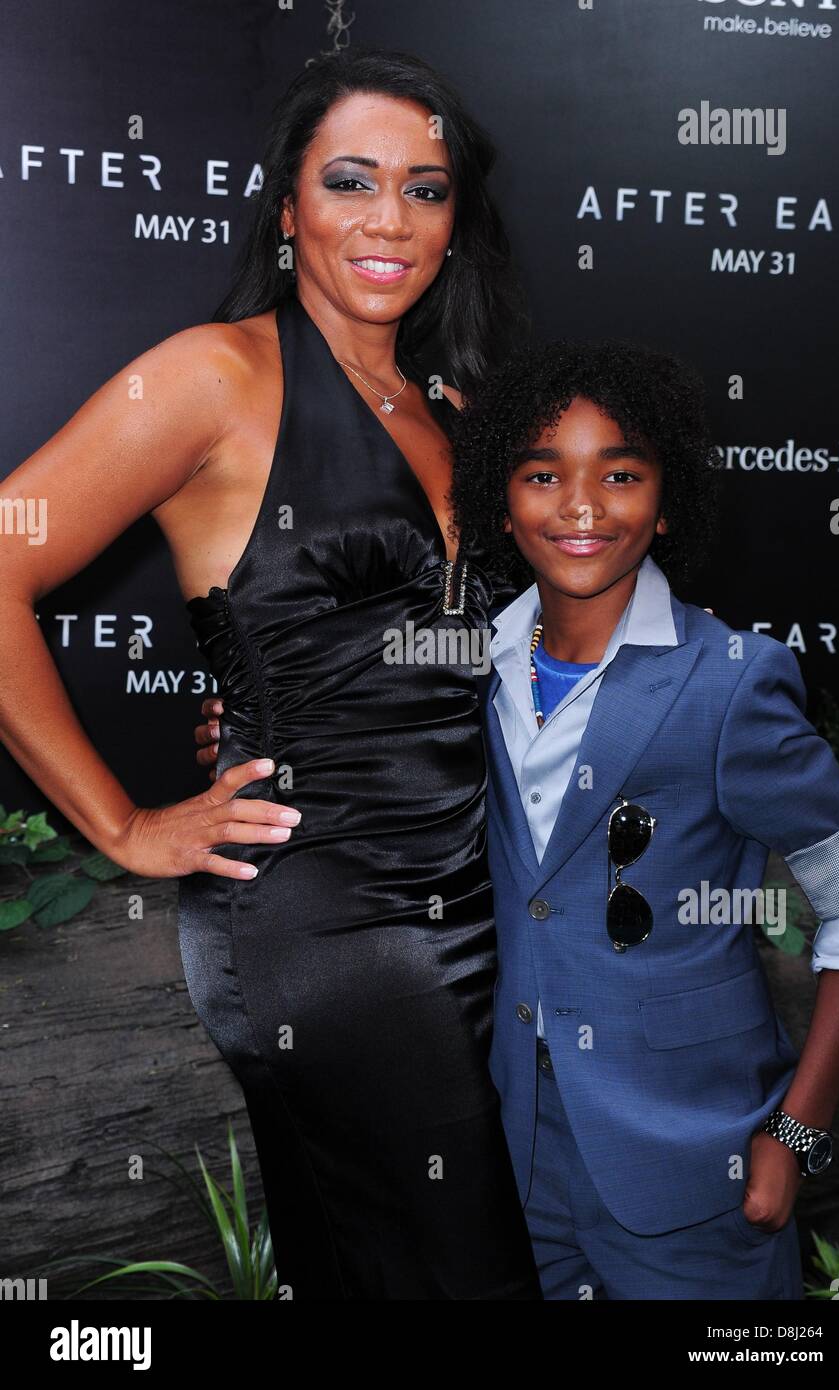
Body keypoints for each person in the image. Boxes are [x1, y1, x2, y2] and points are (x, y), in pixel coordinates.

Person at [0, 49, 542, 1299]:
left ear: (459, 221)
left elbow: (461, 655)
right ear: (288, 206)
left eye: (427, 187)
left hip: (471, 896)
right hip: (329, 919)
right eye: (350, 180)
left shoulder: (451, 405)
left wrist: (272, 682)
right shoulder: (214, 375)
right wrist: (126, 824)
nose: (389, 219)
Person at [445, 338, 839, 1299]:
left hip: (698, 1167)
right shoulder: (465, 667)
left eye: (622, 473)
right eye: (542, 473)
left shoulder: (729, 682)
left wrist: (794, 1135)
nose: (582, 505)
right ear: (498, 504)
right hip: (513, 1154)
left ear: (665, 501)